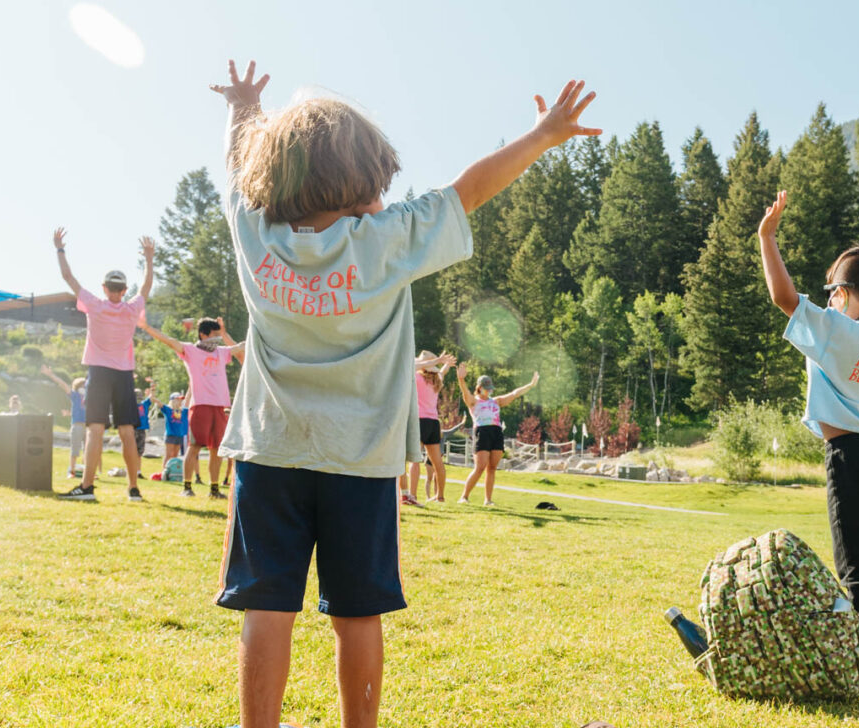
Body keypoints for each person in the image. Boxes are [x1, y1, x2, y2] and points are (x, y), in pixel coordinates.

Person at [207, 59, 599, 728]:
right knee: (358, 613)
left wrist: (242, 107)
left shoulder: (254, 233)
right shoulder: (385, 241)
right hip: (360, 461)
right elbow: (468, 190)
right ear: (357, 182)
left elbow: (240, 165)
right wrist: (539, 137)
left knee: (264, 606)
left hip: (270, 452)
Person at [757, 187, 859, 691]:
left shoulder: (835, 332)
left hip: (850, 456)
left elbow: (784, 298)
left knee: (857, 564)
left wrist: (767, 236)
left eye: (831, 291)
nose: (826, 300)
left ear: (844, 296)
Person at [50, 227, 154, 503]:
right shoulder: (132, 310)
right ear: (123, 289)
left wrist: (60, 249)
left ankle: (86, 488)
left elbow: (67, 277)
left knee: (94, 428)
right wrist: (149, 258)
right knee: (127, 431)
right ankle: (133, 489)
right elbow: (145, 287)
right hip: (123, 375)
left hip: (99, 371)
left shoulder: (95, 304)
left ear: (105, 288)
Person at [140, 316, 244, 499]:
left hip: (220, 405)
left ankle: (214, 489)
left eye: (218, 336)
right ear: (203, 334)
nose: (216, 339)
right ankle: (187, 487)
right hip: (200, 404)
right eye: (213, 335)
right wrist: (147, 327)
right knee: (194, 446)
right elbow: (169, 341)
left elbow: (241, 347)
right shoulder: (190, 350)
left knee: (216, 449)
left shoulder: (221, 352)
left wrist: (223, 332)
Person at [455, 364, 539, 506]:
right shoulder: (474, 401)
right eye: (486, 389)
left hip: (496, 433)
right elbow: (465, 393)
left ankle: (488, 500)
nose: (489, 391)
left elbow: (514, 393)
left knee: (492, 468)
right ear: (480, 388)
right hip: (482, 432)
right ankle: (464, 496)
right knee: (480, 467)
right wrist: (461, 380)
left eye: (490, 389)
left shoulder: (496, 401)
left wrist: (530, 385)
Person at [408, 351, 455, 505]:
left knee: (415, 460)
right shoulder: (437, 380)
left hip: (419, 421)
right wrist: (445, 364)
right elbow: (442, 372)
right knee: (437, 462)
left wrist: (436, 361)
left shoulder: (417, 377)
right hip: (434, 423)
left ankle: (412, 495)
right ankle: (440, 496)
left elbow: (412, 365)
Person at [40, 365, 87, 478]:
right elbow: (63, 385)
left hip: (88, 427)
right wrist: (51, 375)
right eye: (82, 385)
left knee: (88, 451)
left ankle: (87, 472)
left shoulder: (89, 397)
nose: (85, 387)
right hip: (77, 426)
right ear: (78, 387)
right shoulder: (75, 396)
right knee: (75, 450)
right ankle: (71, 471)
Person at [159, 392, 191, 465]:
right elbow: (159, 403)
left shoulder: (183, 411)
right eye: (178, 399)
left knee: (175, 456)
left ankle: (172, 473)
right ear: (173, 400)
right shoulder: (168, 410)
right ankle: (165, 473)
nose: (180, 401)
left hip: (179, 436)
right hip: (170, 435)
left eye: (180, 400)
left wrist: (190, 388)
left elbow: (188, 398)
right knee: (168, 455)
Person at [134, 379, 155, 475]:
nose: (138, 397)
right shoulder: (130, 405)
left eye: (139, 395)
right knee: (131, 451)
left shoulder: (144, 404)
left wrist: (152, 387)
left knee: (139, 452)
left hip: (142, 430)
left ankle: (138, 472)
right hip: (132, 429)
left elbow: (152, 397)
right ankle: (131, 470)